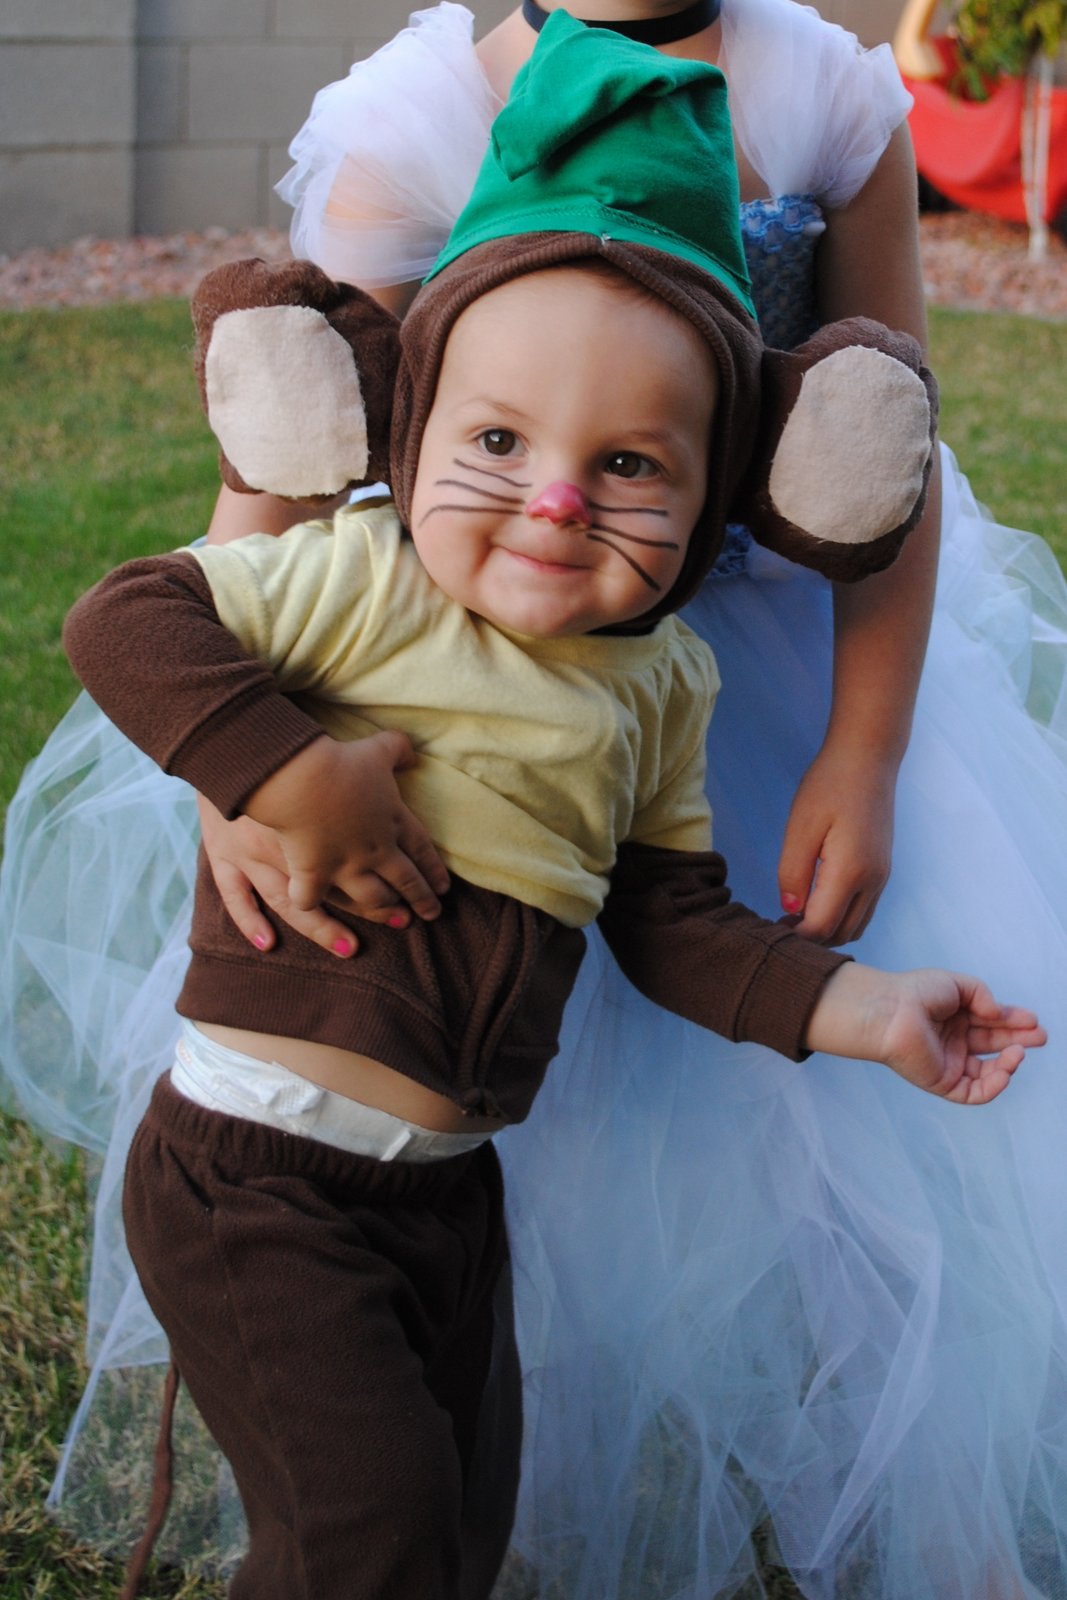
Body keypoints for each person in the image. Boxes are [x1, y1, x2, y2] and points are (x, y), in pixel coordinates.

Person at [3, 1, 1067, 1595]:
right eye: (502, 437)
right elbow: (245, 518)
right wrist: (258, 767)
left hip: (648, 771)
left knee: (460, 1491)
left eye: (621, 466)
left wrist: (865, 780)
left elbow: (876, 455)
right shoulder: (410, 133)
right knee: (369, 1527)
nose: (563, 487)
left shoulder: (830, 99)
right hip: (276, 1127)